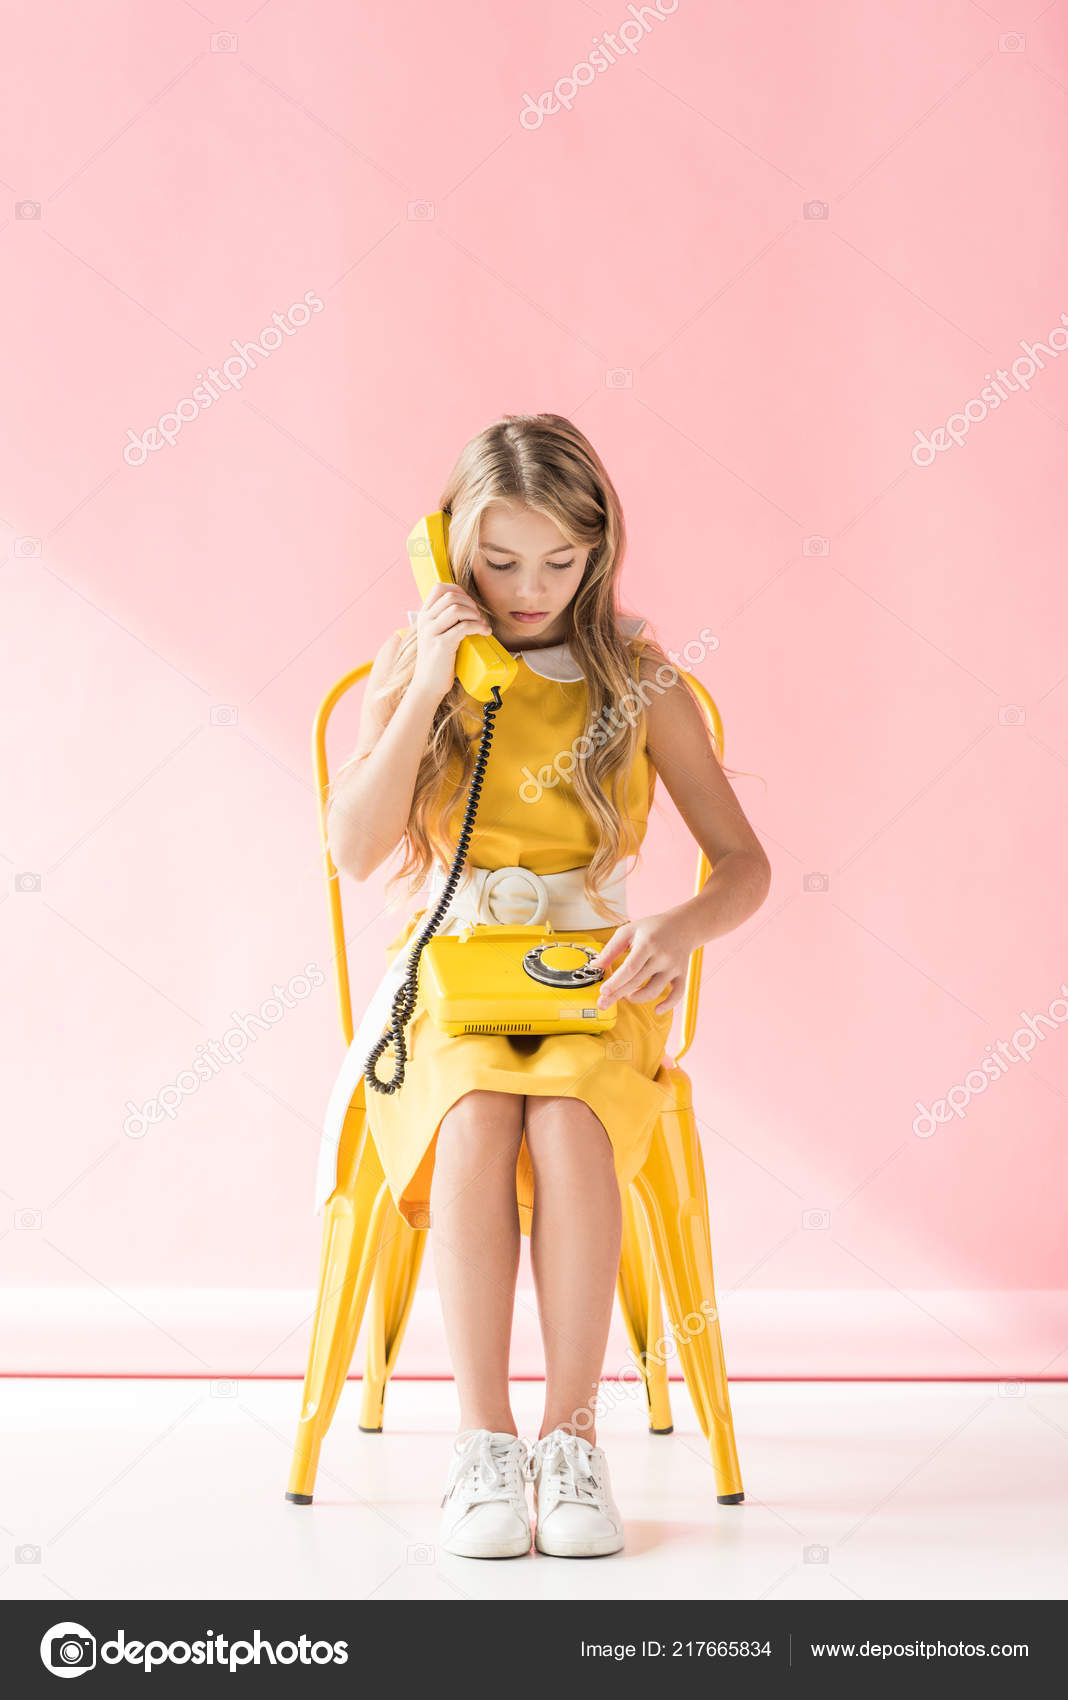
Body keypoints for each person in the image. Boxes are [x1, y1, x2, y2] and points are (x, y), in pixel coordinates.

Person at [318, 413, 770, 1559]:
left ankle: (573, 1436)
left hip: (589, 981)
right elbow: (355, 849)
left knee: (567, 1125)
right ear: (452, 551)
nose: (529, 591)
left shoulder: (637, 674)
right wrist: (429, 680)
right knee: (475, 1120)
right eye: (499, 562)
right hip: (449, 985)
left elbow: (747, 862)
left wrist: (681, 922)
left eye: (560, 563)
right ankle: (484, 1440)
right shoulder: (420, 663)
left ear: (601, 549)